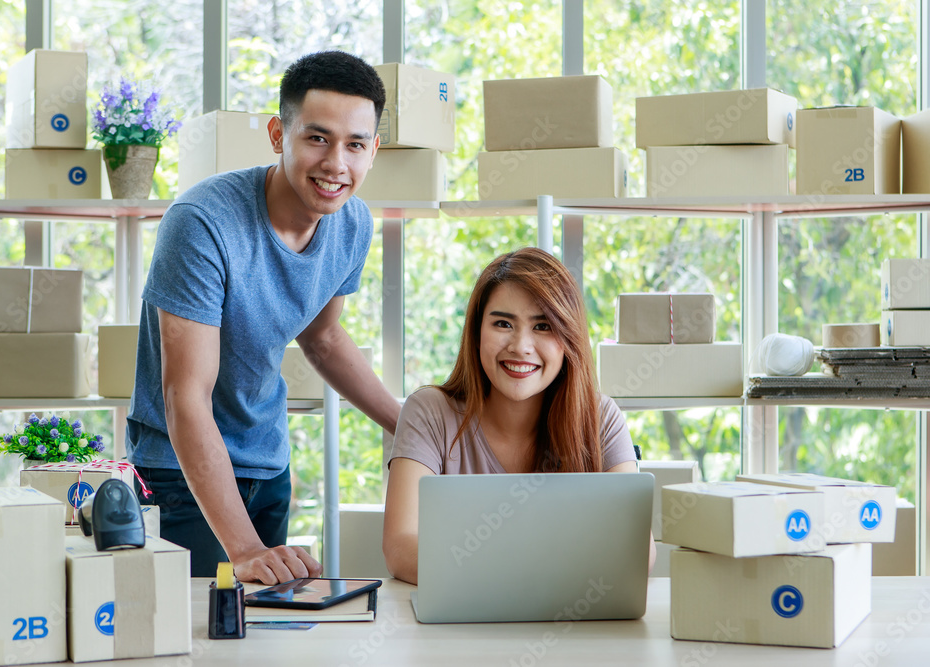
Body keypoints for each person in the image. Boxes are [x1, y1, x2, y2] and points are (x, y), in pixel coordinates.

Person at [127, 50, 401, 584]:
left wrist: (408, 425)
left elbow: (322, 339)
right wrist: (246, 547)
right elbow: (186, 396)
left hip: (268, 467)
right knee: (202, 635)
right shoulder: (202, 222)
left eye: (355, 145)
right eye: (317, 138)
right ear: (279, 134)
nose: (336, 164)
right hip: (178, 474)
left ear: (373, 152)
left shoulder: (353, 223)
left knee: (264, 638)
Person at [382, 247, 656, 584]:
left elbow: (638, 552)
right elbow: (400, 547)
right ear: (476, 332)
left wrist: (506, 579)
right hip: (460, 626)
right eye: (502, 323)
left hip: (571, 624)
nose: (521, 346)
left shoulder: (600, 418)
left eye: (542, 326)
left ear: (568, 338)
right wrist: (529, 580)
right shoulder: (429, 412)